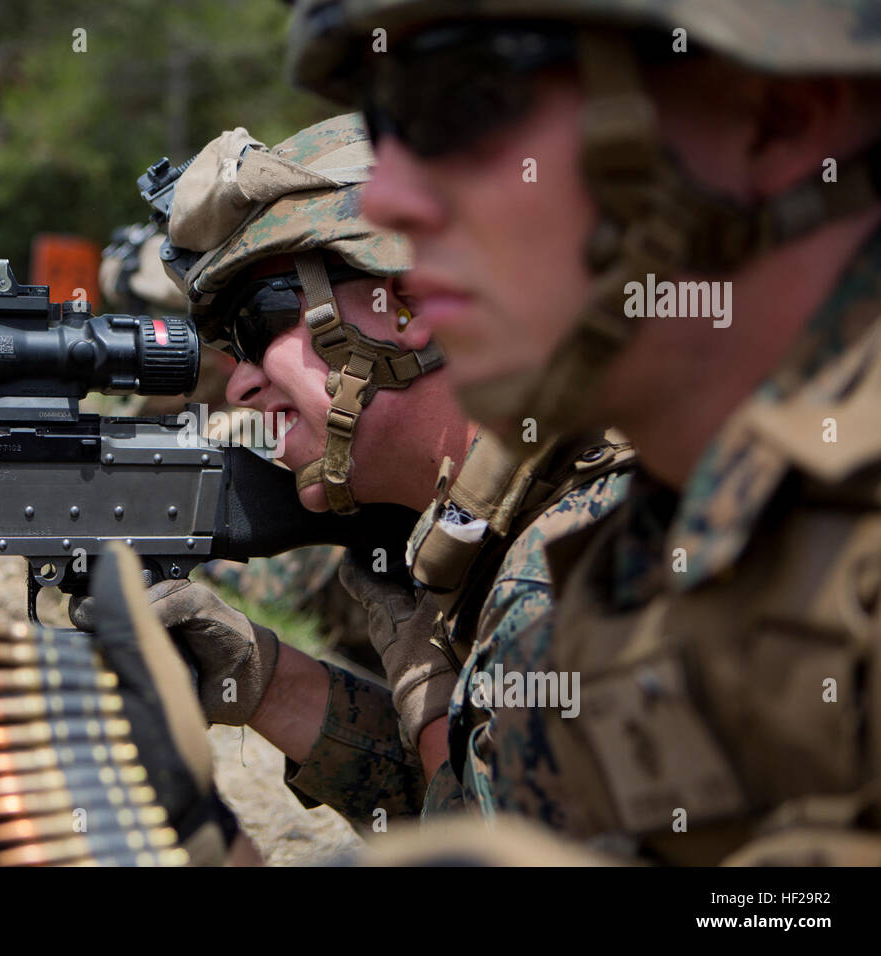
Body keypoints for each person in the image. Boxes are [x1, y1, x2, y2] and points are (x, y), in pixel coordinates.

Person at [287, 0, 881, 862]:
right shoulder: (669, 547)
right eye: (385, 121)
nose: (388, 198)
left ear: (775, 120)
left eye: (460, 101)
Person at [72, 113, 633, 829]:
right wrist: (267, 683)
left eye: (256, 327)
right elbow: (476, 805)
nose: (239, 384)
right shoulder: (519, 516)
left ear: (409, 302)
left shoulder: (568, 576)